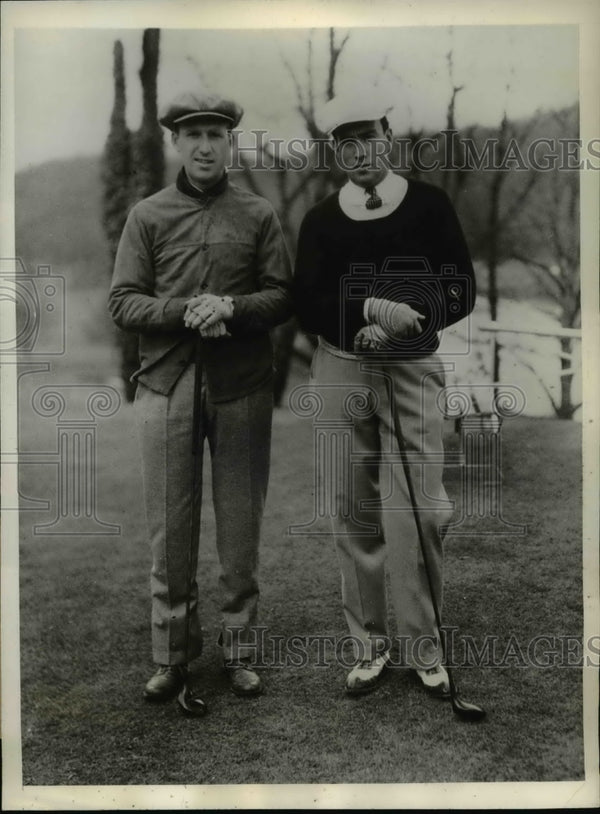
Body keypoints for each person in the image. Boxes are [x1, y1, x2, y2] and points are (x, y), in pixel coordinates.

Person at [109, 91, 292, 702]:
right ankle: (172, 657)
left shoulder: (259, 214)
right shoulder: (148, 215)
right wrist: (185, 309)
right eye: (193, 135)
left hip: (241, 385)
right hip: (165, 383)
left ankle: (239, 653)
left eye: (216, 133)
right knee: (170, 528)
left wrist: (232, 307)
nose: (206, 145)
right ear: (176, 143)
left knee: (239, 529)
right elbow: (123, 301)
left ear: (230, 140)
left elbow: (281, 295)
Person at [293, 95, 476, 697]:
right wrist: (368, 310)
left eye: (368, 137)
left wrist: (409, 317)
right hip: (342, 370)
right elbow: (309, 302)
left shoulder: (427, 204)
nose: (358, 152)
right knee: (355, 510)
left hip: (411, 367)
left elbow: (460, 289)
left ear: (389, 135)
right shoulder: (321, 218)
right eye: (345, 142)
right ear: (334, 150)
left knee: (421, 508)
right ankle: (370, 647)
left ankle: (426, 648)